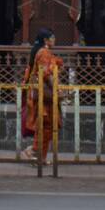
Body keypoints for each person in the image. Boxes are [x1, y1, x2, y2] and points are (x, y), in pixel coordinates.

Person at [20, 28, 61, 162]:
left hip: (42, 94)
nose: (54, 40)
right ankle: (33, 151)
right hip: (44, 95)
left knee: (46, 124)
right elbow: (46, 73)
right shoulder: (43, 52)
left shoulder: (42, 51)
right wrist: (56, 89)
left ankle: (40, 157)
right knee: (46, 124)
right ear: (46, 40)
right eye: (52, 38)